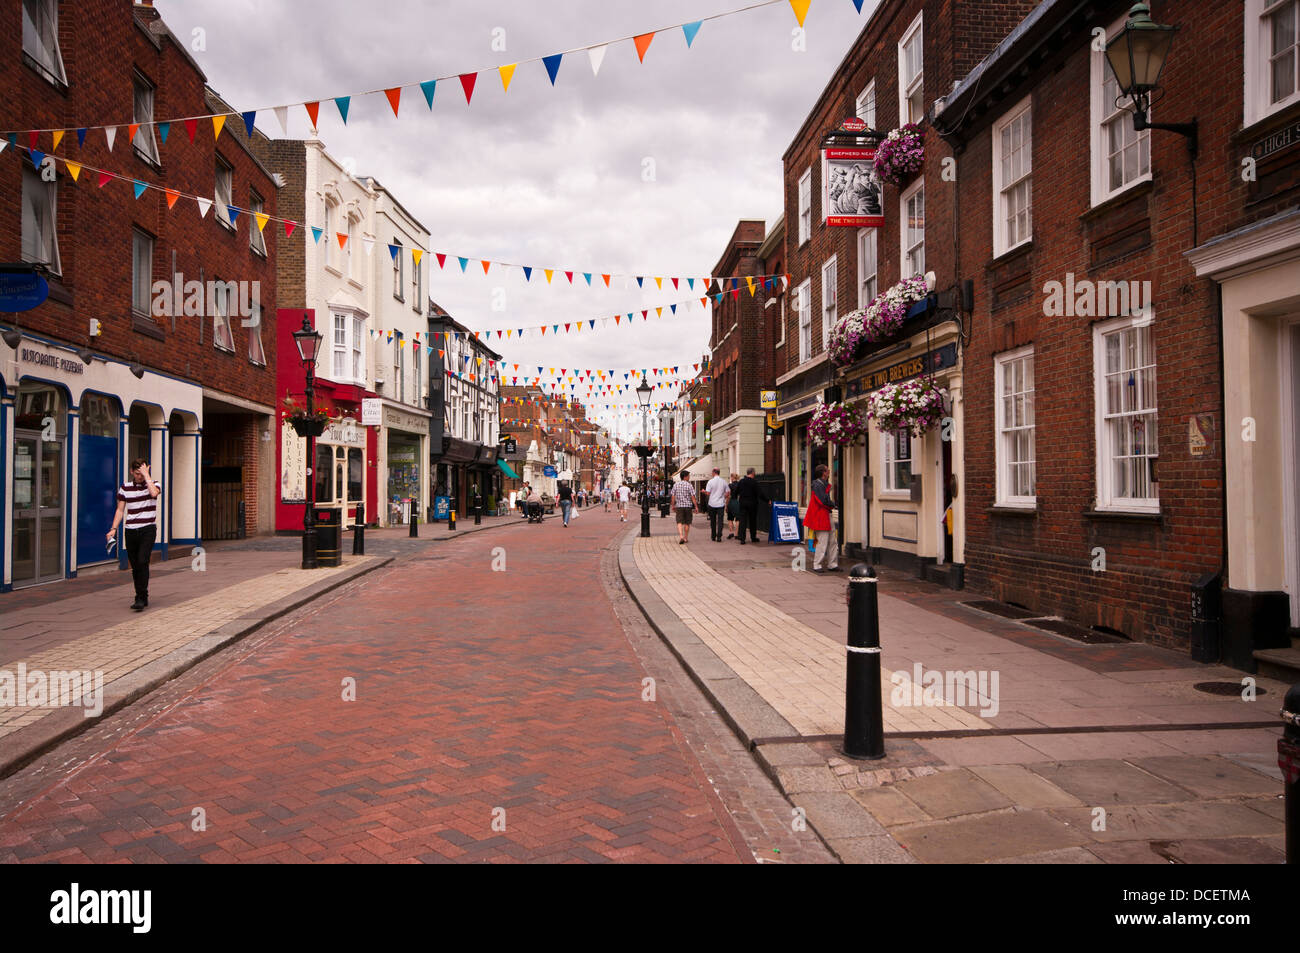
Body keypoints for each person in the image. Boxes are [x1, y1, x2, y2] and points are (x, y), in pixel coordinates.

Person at [107, 458, 162, 611]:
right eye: (137, 473)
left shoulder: (154, 484)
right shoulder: (125, 487)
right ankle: (140, 594)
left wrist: (147, 475)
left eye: (142, 473)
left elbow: (153, 494)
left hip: (148, 529)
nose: (140, 476)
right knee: (136, 565)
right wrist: (113, 529)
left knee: (143, 560)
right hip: (130, 531)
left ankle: (141, 596)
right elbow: (120, 510)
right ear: (132, 472)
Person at [806, 463, 840, 572]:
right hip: (821, 516)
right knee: (823, 541)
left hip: (825, 514)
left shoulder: (820, 484)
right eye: (827, 470)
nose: (829, 472)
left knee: (832, 540)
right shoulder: (818, 485)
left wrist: (831, 504)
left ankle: (832, 564)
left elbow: (823, 500)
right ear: (823, 473)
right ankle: (817, 565)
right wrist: (833, 504)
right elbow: (822, 501)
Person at [735, 467, 768, 545]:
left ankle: (742, 539)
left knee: (743, 521)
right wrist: (767, 500)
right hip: (752, 504)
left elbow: (736, 492)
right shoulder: (754, 482)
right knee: (752, 521)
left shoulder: (741, 481)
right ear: (753, 473)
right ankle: (753, 537)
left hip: (743, 503)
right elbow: (760, 494)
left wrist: (737, 498)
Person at [670, 470, 698, 544]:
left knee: (679, 522)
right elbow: (693, 497)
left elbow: (673, 496)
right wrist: (696, 506)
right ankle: (685, 537)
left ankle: (681, 536)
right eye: (688, 476)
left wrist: (673, 505)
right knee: (687, 522)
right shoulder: (689, 485)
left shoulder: (676, 485)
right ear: (685, 477)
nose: (689, 477)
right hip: (688, 506)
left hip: (679, 506)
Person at [703, 468, 729, 542]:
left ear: (714, 472)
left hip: (712, 504)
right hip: (721, 504)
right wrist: (723, 497)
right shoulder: (724, 481)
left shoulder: (710, 482)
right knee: (720, 521)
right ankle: (719, 536)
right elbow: (728, 492)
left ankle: (713, 536)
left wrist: (703, 491)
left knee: (713, 521)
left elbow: (708, 493)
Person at [726, 472, 741, 538]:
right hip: (737, 502)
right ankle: (736, 534)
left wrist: (726, 505)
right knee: (738, 519)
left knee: (730, 518)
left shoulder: (729, 485)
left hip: (731, 502)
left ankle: (731, 532)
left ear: (732, 477)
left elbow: (728, 496)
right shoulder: (740, 485)